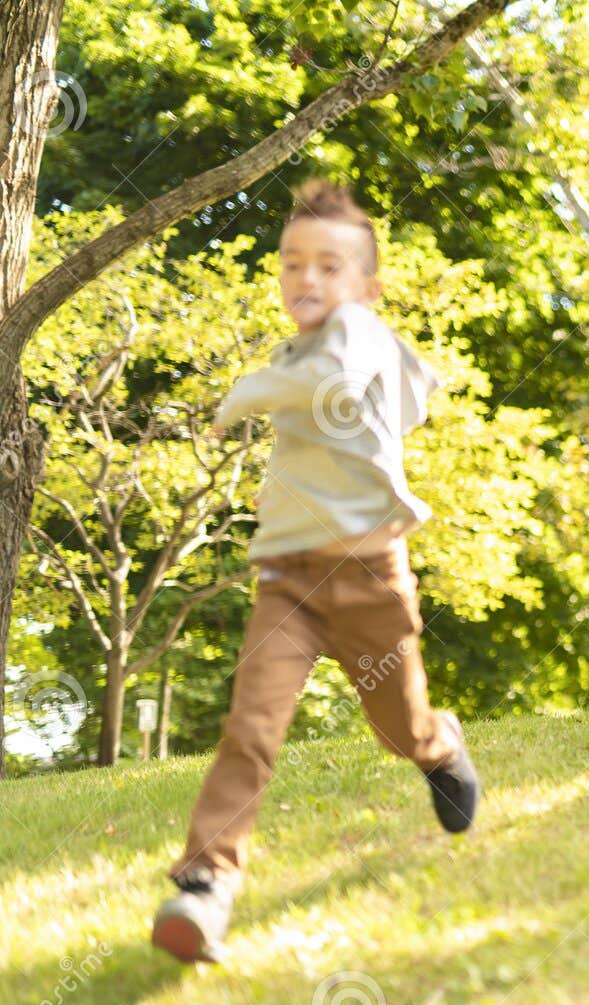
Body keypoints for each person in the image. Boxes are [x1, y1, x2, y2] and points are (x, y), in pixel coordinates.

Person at [151, 181, 478, 964]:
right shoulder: (288, 353)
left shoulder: (357, 333)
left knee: (398, 728)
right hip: (288, 579)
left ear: (366, 286)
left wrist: (241, 397)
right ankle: (205, 885)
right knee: (252, 727)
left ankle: (438, 745)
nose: (307, 279)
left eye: (329, 266)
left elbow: (329, 383)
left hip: (369, 574)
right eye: (293, 263)